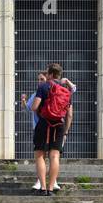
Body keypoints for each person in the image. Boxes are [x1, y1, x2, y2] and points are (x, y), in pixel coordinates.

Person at [30, 61, 74, 194]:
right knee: (55, 156)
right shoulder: (66, 90)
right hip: (59, 125)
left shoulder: (43, 86)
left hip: (44, 123)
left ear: (49, 74)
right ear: (59, 75)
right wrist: (65, 130)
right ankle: (51, 188)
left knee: (39, 155)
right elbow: (70, 114)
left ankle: (43, 187)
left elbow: (34, 107)